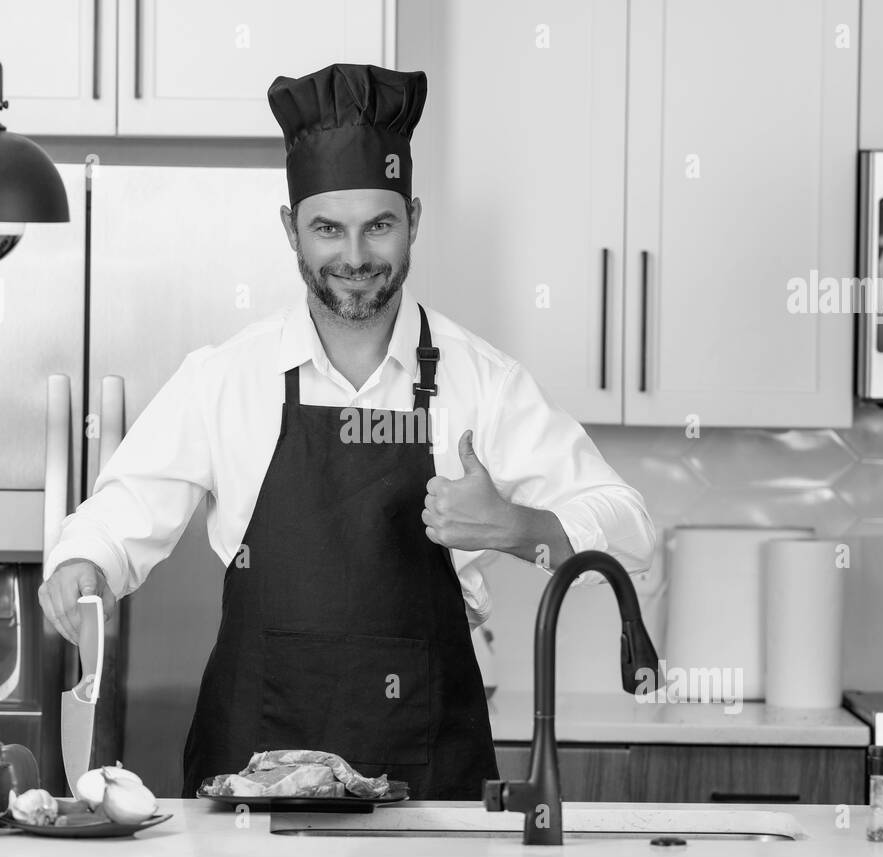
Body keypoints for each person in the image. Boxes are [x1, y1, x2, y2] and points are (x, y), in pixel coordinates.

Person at [40, 63, 655, 800]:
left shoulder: (482, 382)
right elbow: (118, 517)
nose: (356, 257)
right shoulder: (228, 377)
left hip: (430, 804)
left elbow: (632, 527)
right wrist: (85, 564)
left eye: (380, 225)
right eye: (328, 228)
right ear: (290, 228)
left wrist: (520, 526)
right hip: (251, 805)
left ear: (414, 221)